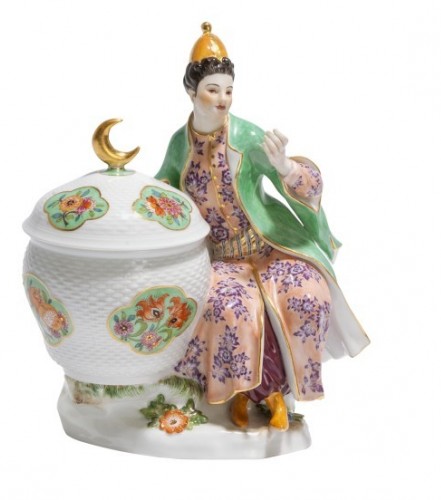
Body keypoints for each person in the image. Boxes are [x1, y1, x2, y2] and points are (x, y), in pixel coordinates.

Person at [155, 23, 370, 430]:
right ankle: (241, 394)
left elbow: (308, 189)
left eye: (228, 90)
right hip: (221, 259)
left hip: (270, 246)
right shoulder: (179, 144)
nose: (223, 99)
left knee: (304, 293)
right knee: (226, 308)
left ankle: (279, 395)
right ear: (191, 92)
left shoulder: (248, 136)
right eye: (213, 89)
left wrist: (286, 167)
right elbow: (163, 188)